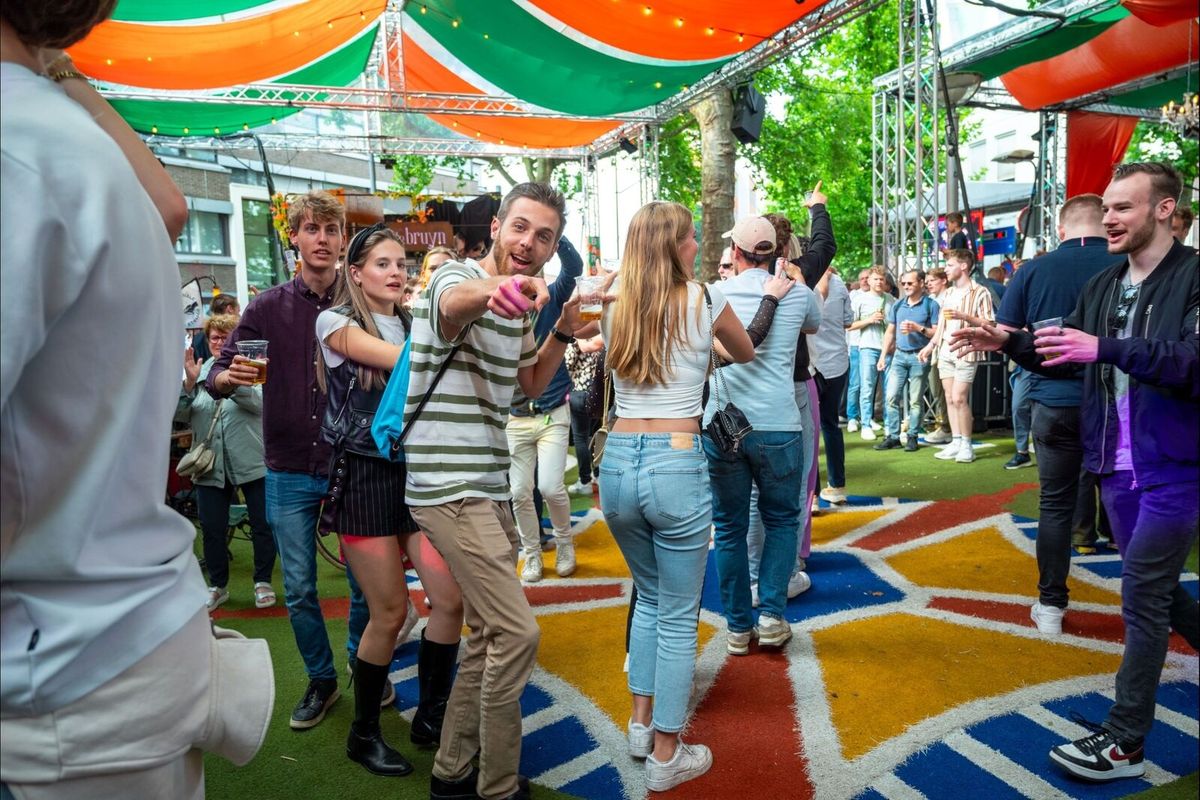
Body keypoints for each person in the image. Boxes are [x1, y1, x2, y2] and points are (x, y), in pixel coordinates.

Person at [1, 3, 272, 796]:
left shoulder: (20, 148)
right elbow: (168, 206)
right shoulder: (45, 140)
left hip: (59, 676)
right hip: (106, 648)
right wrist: (56, 69)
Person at [951, 161, 1198, 783]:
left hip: (1176, 463)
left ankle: (1124, 742)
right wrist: (1007, 343)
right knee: (1160, 589)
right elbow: (1066, 358)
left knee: (1141, 592)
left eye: (1124, 208)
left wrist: (1105, 348)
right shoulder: (1106, 285)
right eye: (1107, 208)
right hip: (1112, 460)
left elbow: (1192, 362)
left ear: (1164, 210)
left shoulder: (1196, 277)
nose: (1109, 219)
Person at [405, 183, 583, 800]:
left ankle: (452, 774)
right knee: (517, 633)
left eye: (544, 238)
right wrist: (498, 291)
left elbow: (529, 384)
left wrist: (561, 329)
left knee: (485, 633)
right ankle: (497, 786)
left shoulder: (529, 307)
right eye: (521, 228)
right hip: (447, 484)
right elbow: (455, 303)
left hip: (486, 484)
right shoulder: (454, 274)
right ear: (499, 226)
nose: (529, 244)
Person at [600, 201, 756, 792]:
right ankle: (667, 755)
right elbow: (744, 352)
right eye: (692, 238)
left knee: (649, 596)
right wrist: (703, 350)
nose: (698, 245)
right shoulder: (706, 299)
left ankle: (640, 727)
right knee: (675, 614)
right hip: (676, 459)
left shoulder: (613, 307)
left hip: (616, 461)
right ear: (673, 247)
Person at [208, 191, 373, 730]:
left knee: (364, 582)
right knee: (298, 587)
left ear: (342, 239)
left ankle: (360, 663)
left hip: (352, 462)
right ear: (295, 239)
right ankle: (322, 680)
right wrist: (224, 377)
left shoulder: (364, 301)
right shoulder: (264, 307)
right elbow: (220, 372)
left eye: (331, 229)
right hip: (287, 464)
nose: (322, 239)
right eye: (312, 229)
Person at [314, 225, 464, 777]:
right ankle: (363, 733)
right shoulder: (334, 322)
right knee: (390, 611)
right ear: (355, 274)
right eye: (382, 263)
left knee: (449, 600)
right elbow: (406, 361)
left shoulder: (411, 319)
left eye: (402, 263)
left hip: (414, 477)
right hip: (364, 480)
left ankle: (431, 714)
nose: (397, 272)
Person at [991, 193, 1119, 635]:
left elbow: (1004, 336)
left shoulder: (1034, 270)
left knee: (1056, 505)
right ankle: (1150, 610)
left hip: (1054, 403)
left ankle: (1050, 606)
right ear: (1106, 222)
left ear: (1061, 230)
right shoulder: (1131, 265)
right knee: (1132, 504)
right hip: (1118, 405)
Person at [707, 216, 820, 656]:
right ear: (776, 253)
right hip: (779, 424)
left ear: (734, 252)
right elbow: (812, 324)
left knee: (730, 528)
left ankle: (738, 628)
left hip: (723, 425)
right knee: (780, 521)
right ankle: (772, 617)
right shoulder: (798, 293)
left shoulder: (713, 295)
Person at [179, 314, 277, 611]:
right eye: (215, 338)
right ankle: (218, 586)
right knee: (212, 527)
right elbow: (181, 415)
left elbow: (261, 405)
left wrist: (230, 383)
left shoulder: (256, 369)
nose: (220, 343)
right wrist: (188, 385)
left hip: (251, 457)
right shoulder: (198, 370)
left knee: (263, 524)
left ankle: (263, 581)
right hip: (210, 464)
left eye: (226, 337)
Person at [508, 236, 584, 584]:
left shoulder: (552, 297)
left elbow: (575, 268)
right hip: (515, 417)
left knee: (552, 487)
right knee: (519, 492)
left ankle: (565, 544)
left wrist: (554, 236)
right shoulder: (497, 304)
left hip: (553, 410)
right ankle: (532, 553)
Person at [923, 248, 993, 463]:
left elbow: (989, 323)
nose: (946, 269)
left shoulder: (980, 291)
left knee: (959, 397)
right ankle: (956, 440)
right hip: (945, 349)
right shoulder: (950, 293)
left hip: (966, 350)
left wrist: (965, 316)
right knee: (949, 397)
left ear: (963, 266)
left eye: (950, 265)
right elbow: (943, 324)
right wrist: (930, 346)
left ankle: (966, 444)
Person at [874, 270, 938, 451]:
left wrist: (918, 328)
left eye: (910, 283)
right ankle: (893, 437)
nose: (906, 287)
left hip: (920, 355)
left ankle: (912, 436)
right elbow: (890, 332)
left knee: (915, 400)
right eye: (903, 284)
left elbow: (937, 332)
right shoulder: (898, 305)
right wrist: (883, 355)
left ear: (921, 283)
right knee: (891, 397)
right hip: (899, 356)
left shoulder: (930, 305)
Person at [811, 267, 854, 503]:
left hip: (811, 366)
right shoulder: (839, 283)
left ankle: (813, 495)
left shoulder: (799, 280)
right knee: (830, 425)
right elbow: (848, 320)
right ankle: (837, 486)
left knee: (810, 429)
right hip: (837, 363)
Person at [849, 267, 894, 440]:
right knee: (866, 388)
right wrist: (869, 320)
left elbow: (894, 325)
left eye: (881, 279)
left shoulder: (891, 300)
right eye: (875, 279)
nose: (879, 282)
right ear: (868, 281)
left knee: (889, 390)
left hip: (888, 349)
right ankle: (865, 424)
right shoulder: (860, 299)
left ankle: (890, 425)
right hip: (867, 347)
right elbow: (849, 325)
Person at [565, 334, 605, 495]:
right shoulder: (599, 339)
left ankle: (585, 480)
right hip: (597, 394)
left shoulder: (575, 342)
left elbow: (566, 364)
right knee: (594, 436)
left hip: (578, 393)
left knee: (580, 438)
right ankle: (598, 475)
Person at [921, 267, 953, 444]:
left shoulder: (950, 297)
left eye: (932, 280)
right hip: (935, 350)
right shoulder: (931, 300)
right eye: (926, 281)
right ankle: (946, 426)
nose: (928, 284)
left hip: (947, 349)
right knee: (938, 391)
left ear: (944, 280)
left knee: (949, 393)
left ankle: (948, 428)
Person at [845, 268, 871, 432]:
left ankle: (868, 417)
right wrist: (869, 320)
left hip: (874, 346)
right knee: (855, 384)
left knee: (869, 385)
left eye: (868, 277)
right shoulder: (854, 296)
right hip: (856, 345)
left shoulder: (885, 298)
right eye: (862, 278)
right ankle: (852, 417)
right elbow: (849, 325)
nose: (865, 281)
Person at [191, 293, 241, 362]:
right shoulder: (241, 334)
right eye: (238, 311)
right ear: (230, 309)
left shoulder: (197, 339)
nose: (219, 343)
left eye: (225, 338)